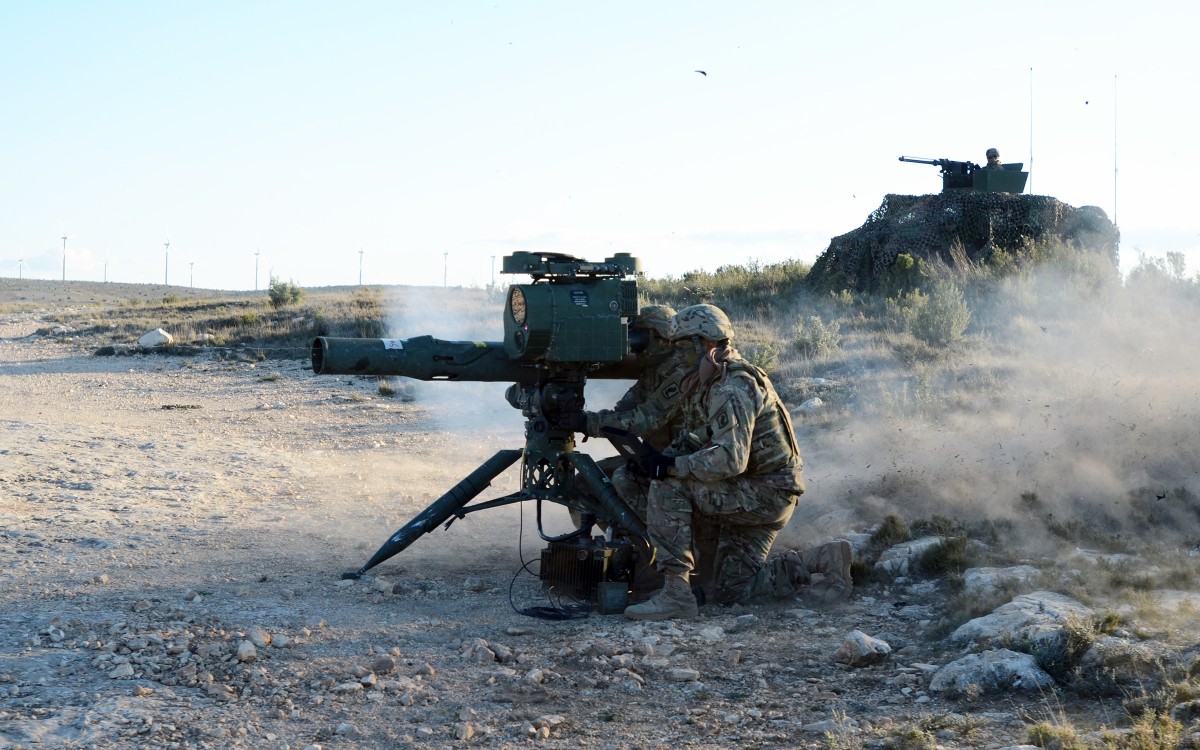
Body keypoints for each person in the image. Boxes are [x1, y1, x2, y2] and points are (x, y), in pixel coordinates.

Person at [623, 303, 852, 620]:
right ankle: (822, 560)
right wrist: (667, 454)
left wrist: (670, 466)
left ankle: (676, 595)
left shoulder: (732, 387)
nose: (677, 356)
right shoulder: (720, 380)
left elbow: (730, 459)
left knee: (667, 486)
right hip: (765, 493)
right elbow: (709, 434)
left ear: (702, 344)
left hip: (763, 494)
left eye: (681, 347)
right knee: (733, 590)